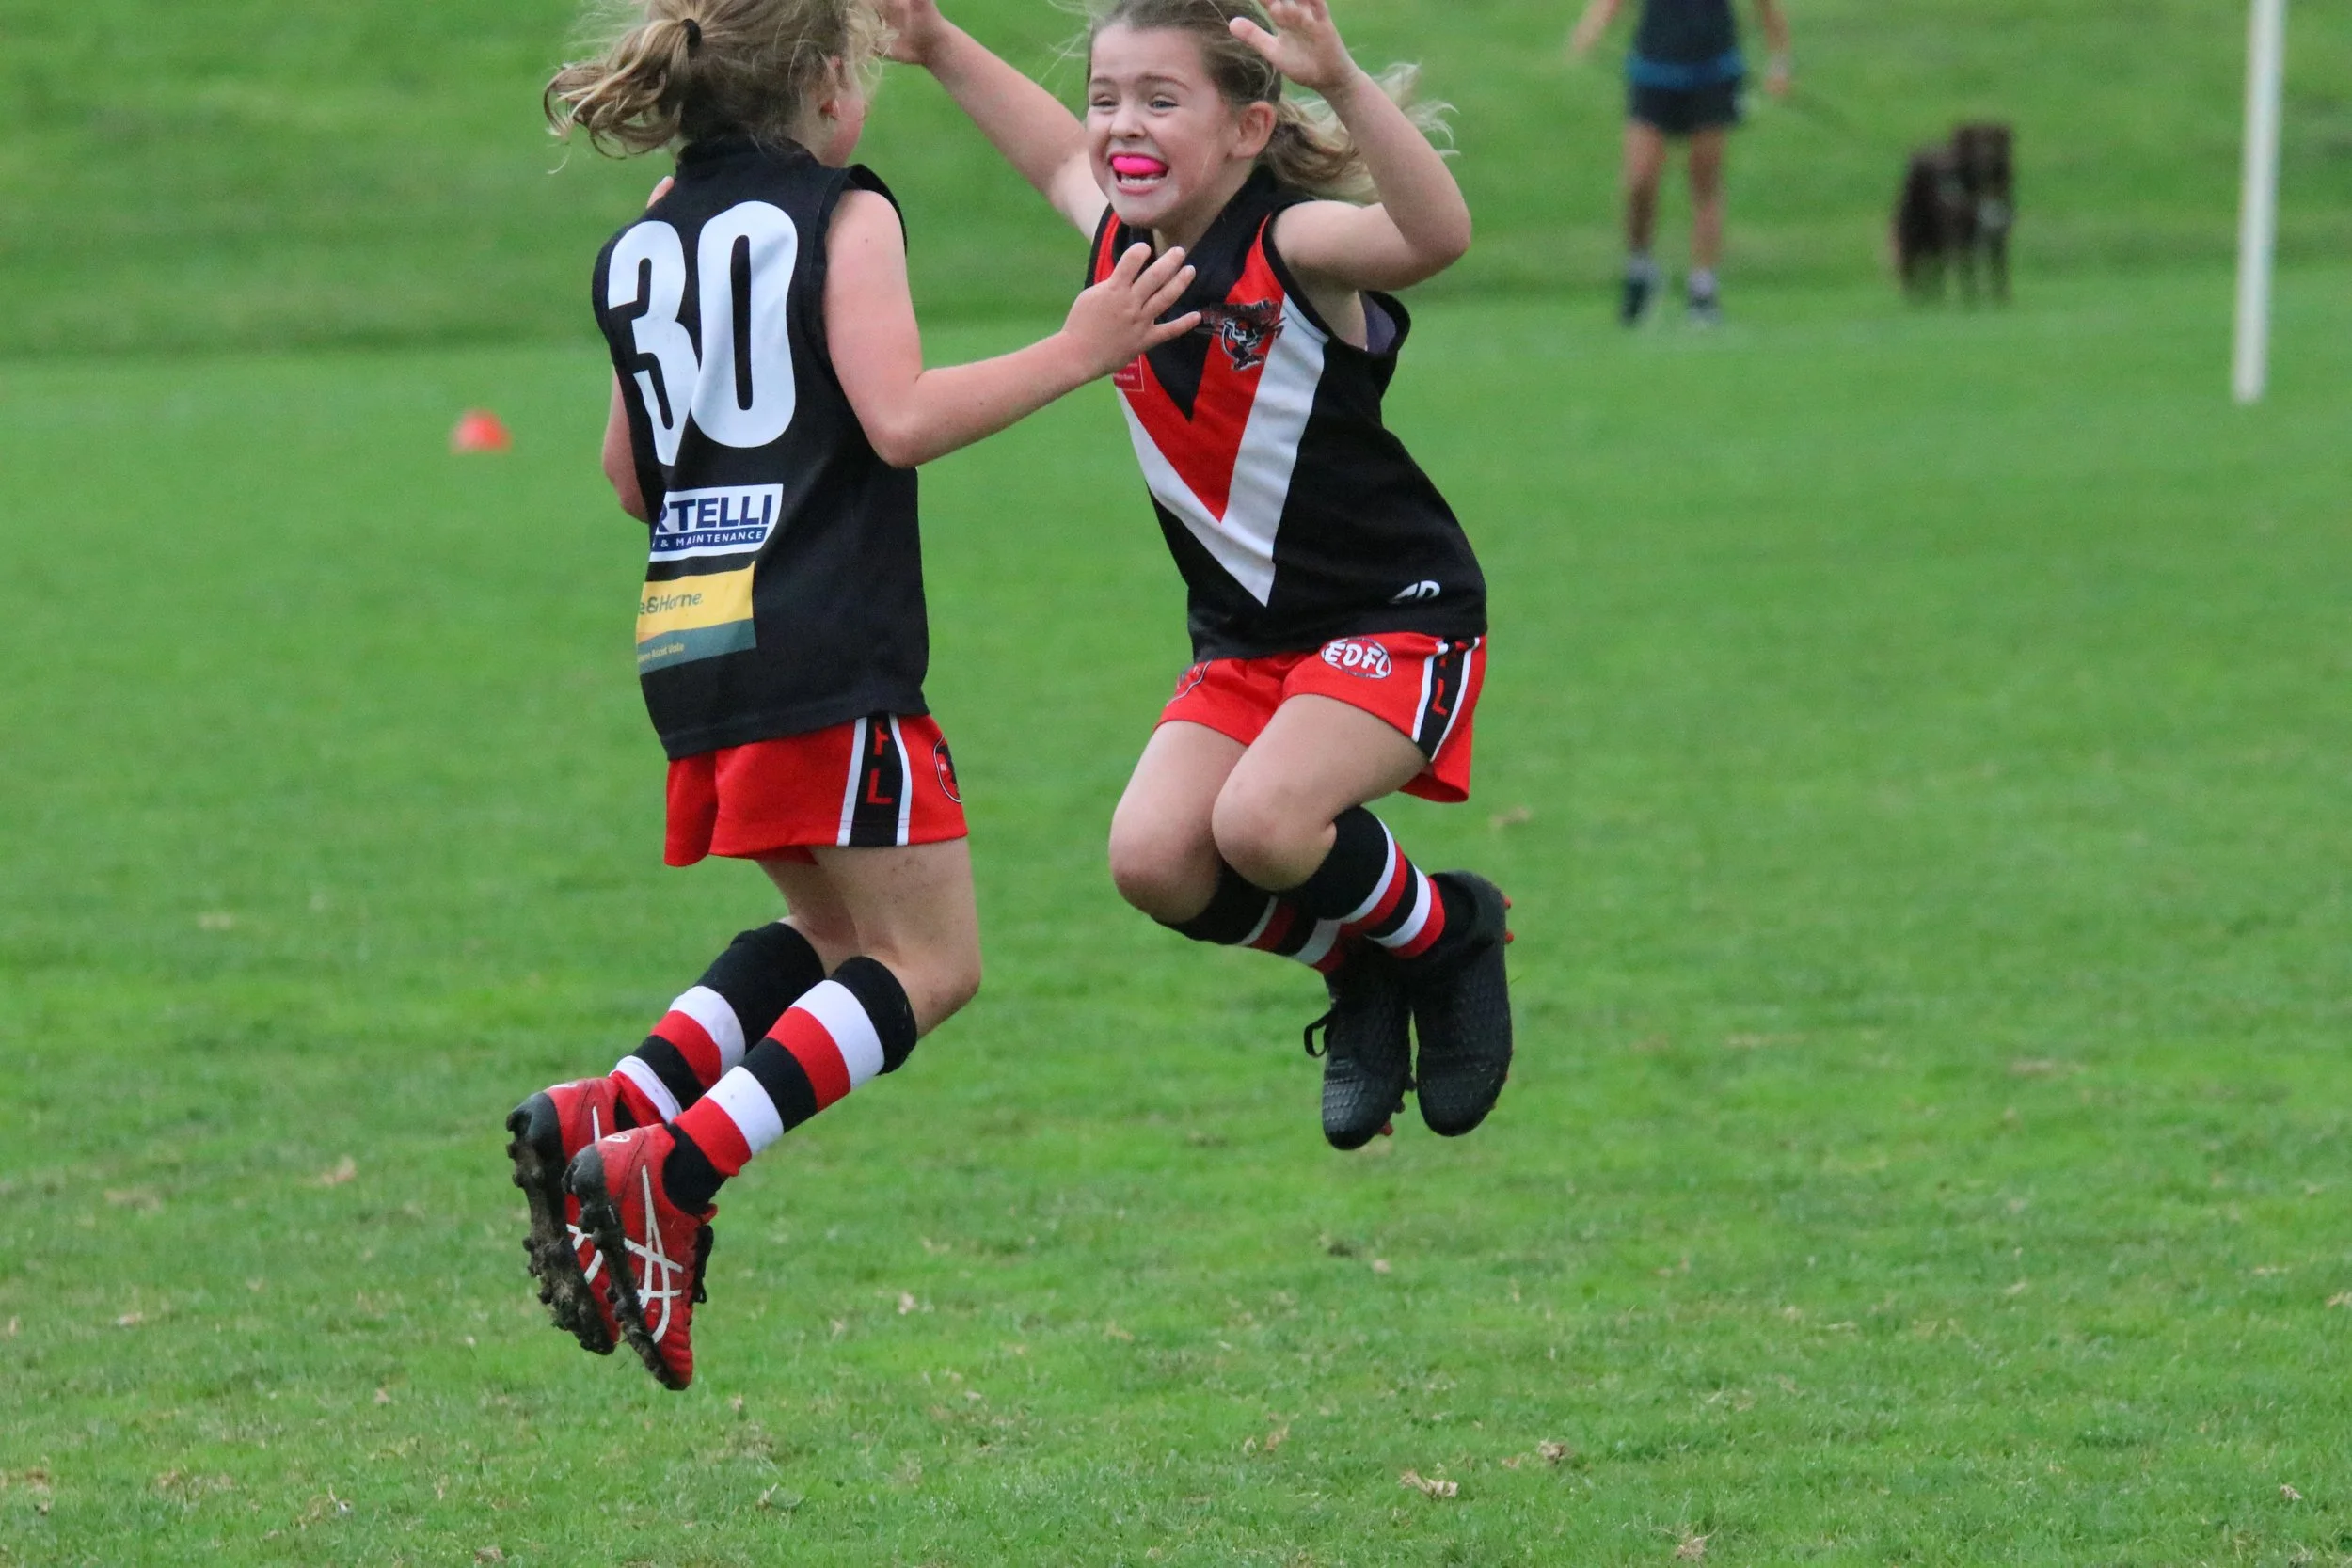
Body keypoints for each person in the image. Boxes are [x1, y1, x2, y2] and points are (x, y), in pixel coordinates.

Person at [508, 0, 1200, 1391]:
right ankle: (671, 1167)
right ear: (827, 85)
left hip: (691, 639)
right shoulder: (844, 212)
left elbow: (632, 478)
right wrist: (1082, 347)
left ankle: (619, 1102)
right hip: (821, 640)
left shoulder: (648, 233)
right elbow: (900, 417)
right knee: (931, 963)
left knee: (833, 932)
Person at [884, 0, 1514, 1154]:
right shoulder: (1119, 248)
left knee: (1264, 822)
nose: (1120, 123)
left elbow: (1433, 236)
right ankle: (1358, 963)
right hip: (1246, 644)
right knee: (1154, 861)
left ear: (1245, 128)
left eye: (1160, 99)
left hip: (1396, 616)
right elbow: (1044, 147)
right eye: (1105, 98)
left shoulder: (1294, 244)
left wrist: (1343, 80)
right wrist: (932, 42)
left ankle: (1446, 933)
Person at [1567, 0, 1790, 325]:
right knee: (1639, 179)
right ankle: (1640, 269)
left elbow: (1766, 7)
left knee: (1705, 180)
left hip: (1713, 70)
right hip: (1653, 68)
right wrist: (1592, 28)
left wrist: (1780, 63)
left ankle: (1703, 288)